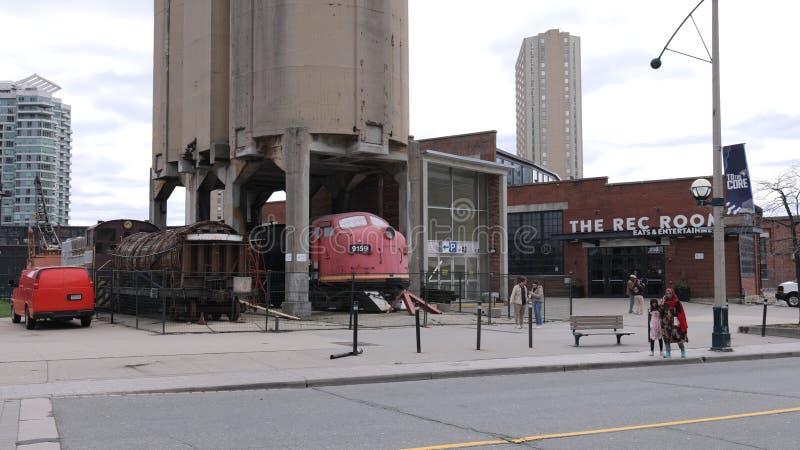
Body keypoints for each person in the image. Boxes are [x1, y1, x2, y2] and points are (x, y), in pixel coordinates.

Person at [660, 288, 688, 358]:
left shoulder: (676, 302)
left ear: (672, 294)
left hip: (675, 323)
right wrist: (662, 303)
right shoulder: (664, 302)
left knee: (678, 337)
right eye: (666, 293)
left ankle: (683, 351)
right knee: (666, 338)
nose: (668, 295)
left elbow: (680, 313)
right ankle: (668, 353)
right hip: (666, 323)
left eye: (669, 293)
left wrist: (681, 322)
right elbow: (661, 312)